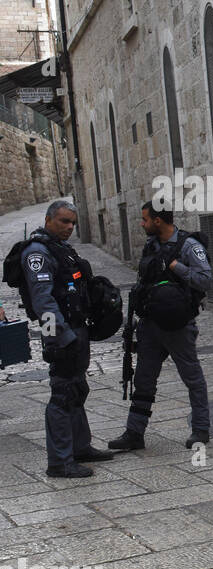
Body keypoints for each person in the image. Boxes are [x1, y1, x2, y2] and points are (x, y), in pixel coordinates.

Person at [19, 201, 113, 478]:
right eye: (63, 222)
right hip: (61, 332)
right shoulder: (37, 252)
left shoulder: (61, 249)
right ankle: (60, 461)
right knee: (62, 394)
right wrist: (61, 337)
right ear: (49, 220)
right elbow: (43, 302)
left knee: (78, 389)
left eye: (73, 223)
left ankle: (80, 446)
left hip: (76, 328)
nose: (69, 227)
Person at [108, 203, 212, 451]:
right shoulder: (151, 245)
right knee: (143, 380)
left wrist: (177, 267)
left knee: (192, 378)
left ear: (157, 221)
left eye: (145, 220)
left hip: (178, 326)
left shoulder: (188, 245)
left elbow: (205, 280)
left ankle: (201, 429)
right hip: (151, 324)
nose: (142, 224)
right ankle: (134, 433)